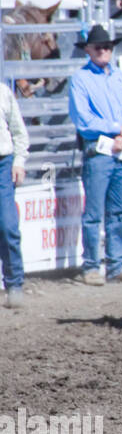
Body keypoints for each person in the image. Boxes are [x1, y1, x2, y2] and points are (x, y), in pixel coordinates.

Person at [67, 25, 122, 286]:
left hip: (120, 149)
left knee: (118, 210)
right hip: (99, 150)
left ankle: (116, 264)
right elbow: (83, 120)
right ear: (88, 49)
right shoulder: (80, 79)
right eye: (99, 47)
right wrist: (118, 130)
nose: (104, 51)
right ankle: (92, 266)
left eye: (108, 47)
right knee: (95, 212)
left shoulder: (118, 76)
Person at [0, 78, 28, 307]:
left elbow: (19, 131)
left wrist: (19, 161)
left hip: (2, 163)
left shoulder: (3, 92)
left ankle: (14, 283)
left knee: (8, 225)